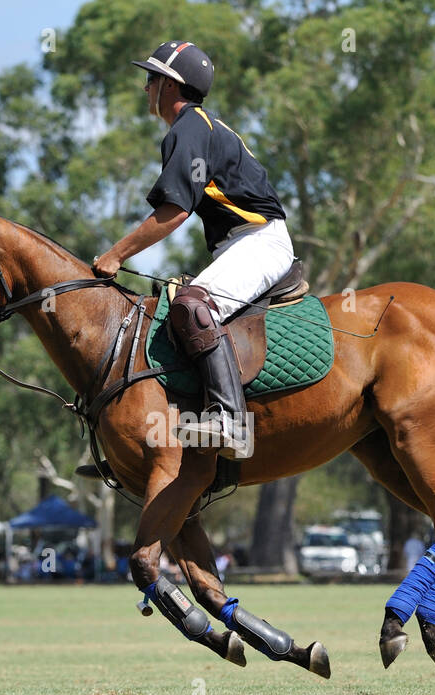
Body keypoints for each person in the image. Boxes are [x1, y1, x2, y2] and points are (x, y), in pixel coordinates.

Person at [93, 41, 293, 459]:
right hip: (241, 244)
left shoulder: (189, 128)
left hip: (259, 241)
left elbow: (175, 211)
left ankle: (229, 421)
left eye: (151, 78)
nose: (146, 87)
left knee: (192, 305)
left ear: (169, 85)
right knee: (172, 308)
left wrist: (115, 255)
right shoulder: (194, 127)